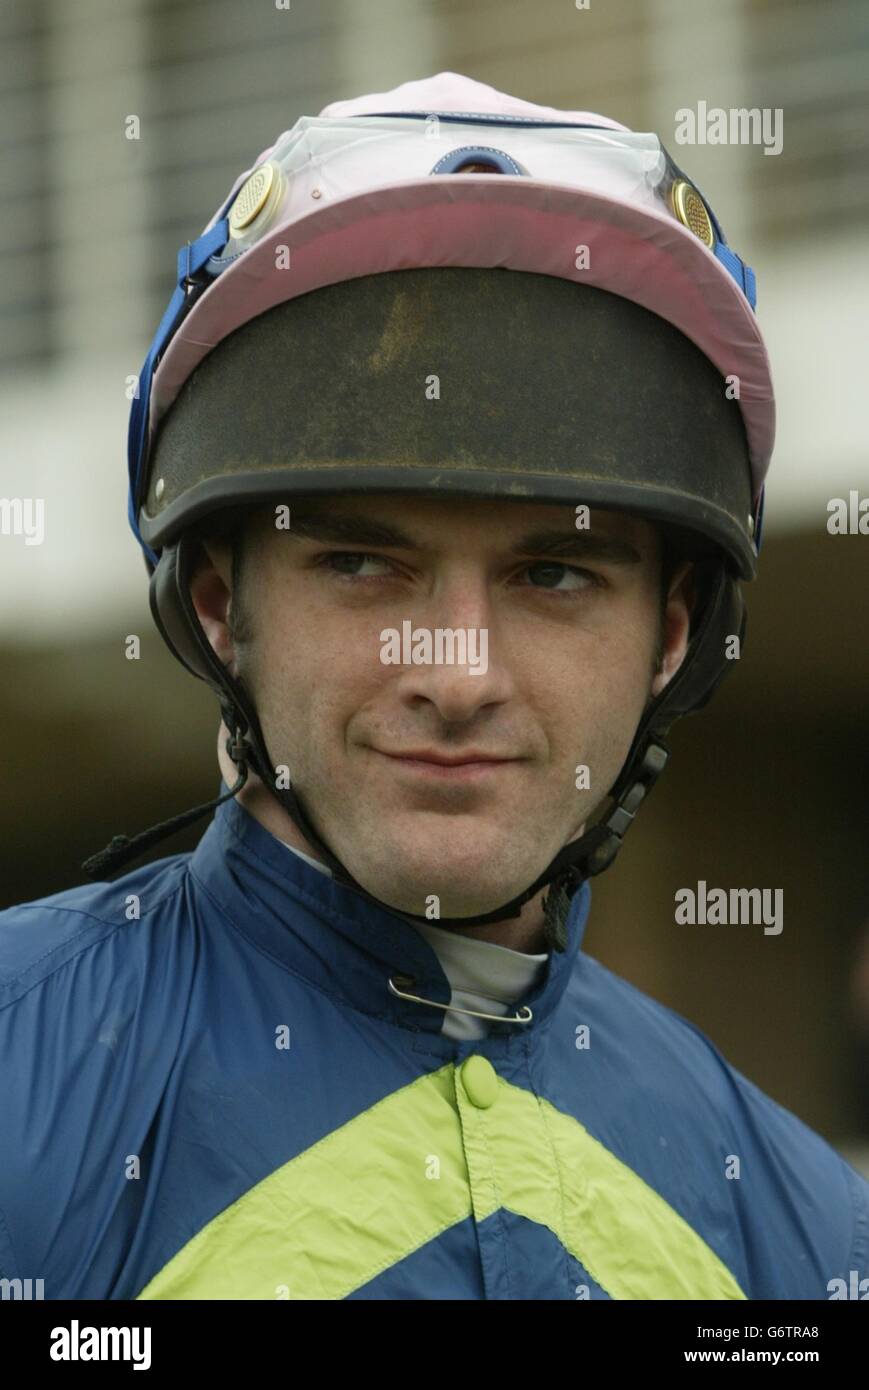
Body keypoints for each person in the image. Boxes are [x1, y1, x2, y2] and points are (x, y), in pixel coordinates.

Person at [1, 73, 866, 1302]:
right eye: (361, 563)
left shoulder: (811, 1232)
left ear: (670, 635)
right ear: (216, 603)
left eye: (553, 575)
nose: (456, 676)